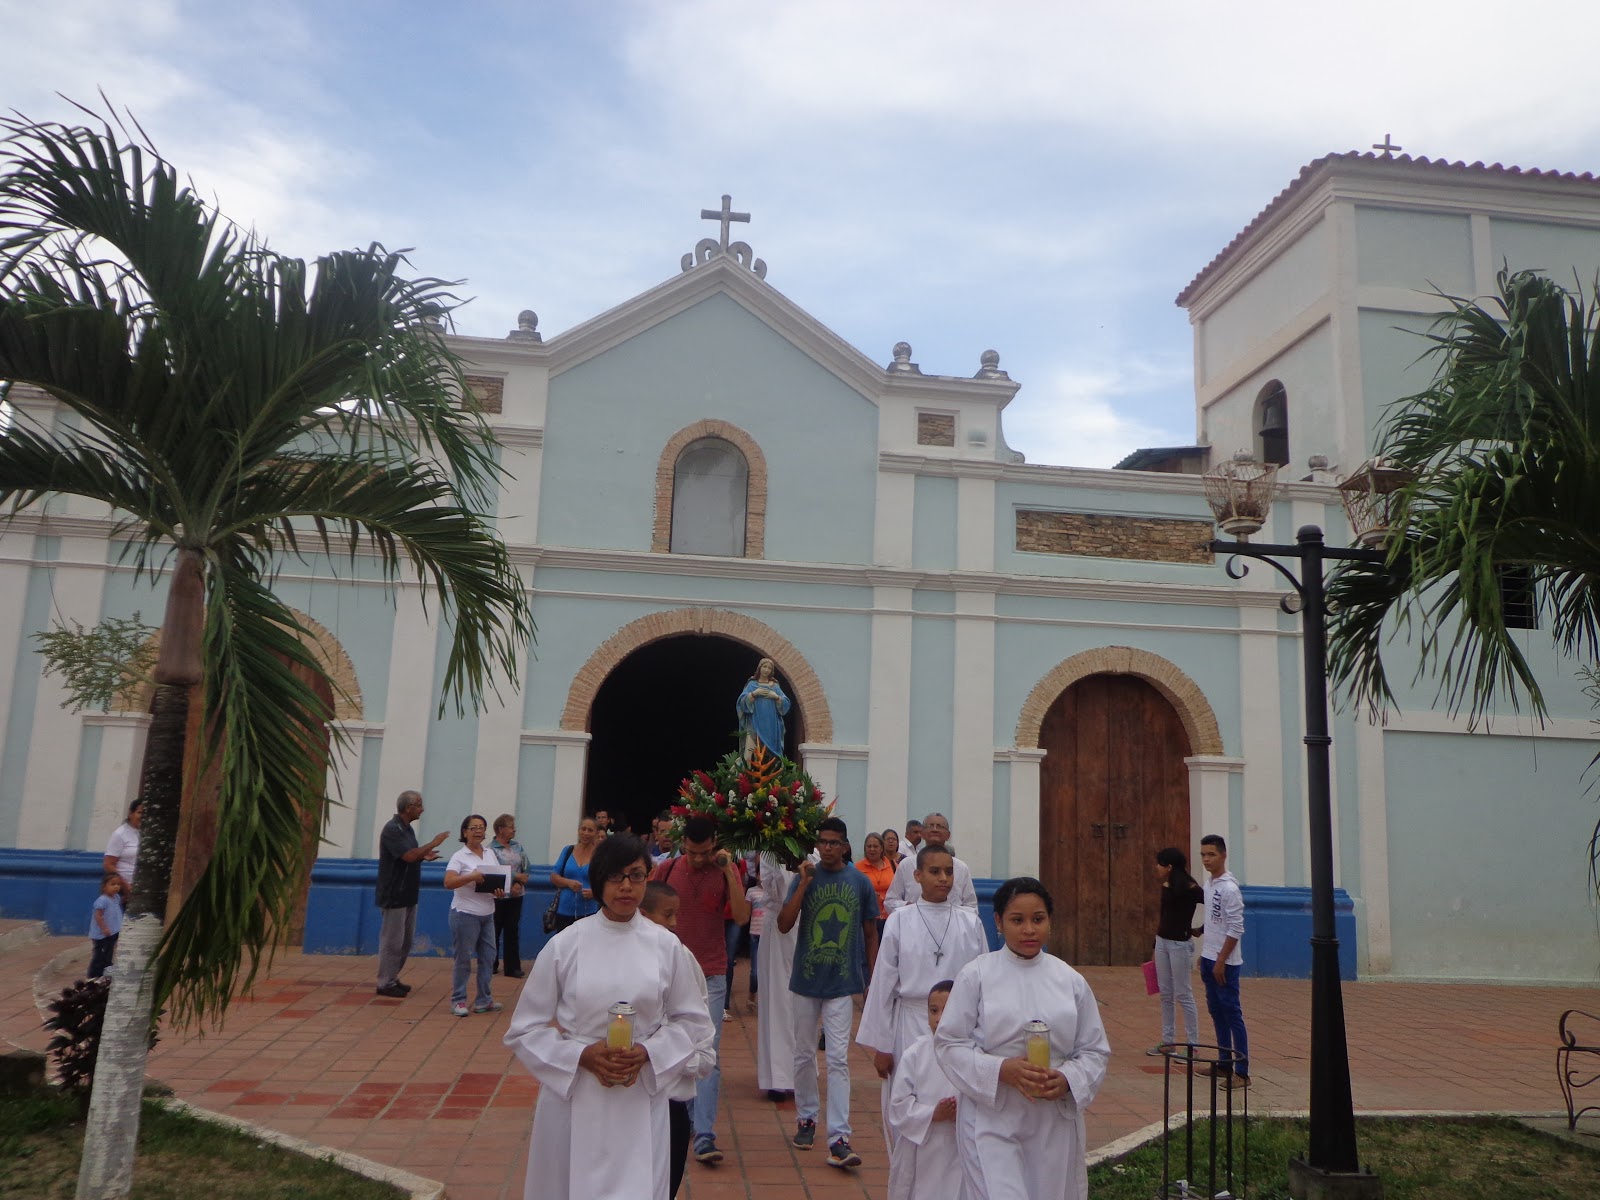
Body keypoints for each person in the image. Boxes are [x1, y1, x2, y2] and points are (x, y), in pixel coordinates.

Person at [504, 835, 715, 1200]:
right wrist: (580, 1055)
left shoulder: (666, 947)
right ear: (598, 880)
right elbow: (526, 1029)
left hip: (640, 1091)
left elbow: (693, 1022)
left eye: (636, 875)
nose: (627, 887)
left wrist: (650, 1051)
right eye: (616, 877)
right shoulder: (565, 945)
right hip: (576, 1091)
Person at [935, 877, 1111, 1200]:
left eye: (1038, 919)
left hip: (1053, 1121)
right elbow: (949, 1044)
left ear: (1050, 922)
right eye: (1018, 920)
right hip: (993, 1118)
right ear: (999, 922)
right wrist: (1001, 1070)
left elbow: (1094, 1050)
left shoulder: (1070, 981)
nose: (1029, 930)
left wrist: (1069, 1078)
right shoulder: (976, 976)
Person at [858, 843, 988, 1150]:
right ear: (917, 875)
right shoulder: (900, 921)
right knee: (909, 1102)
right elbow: (883, 985)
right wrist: (883, 1045)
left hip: (959, 1027)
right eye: (934, 871)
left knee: (957, 1104)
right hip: (910, 1023)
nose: (943, 878)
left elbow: (984, 985)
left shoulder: (970, 922)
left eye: (949, 871)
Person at [778, 816, 880, 1170]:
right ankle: (806, 1118)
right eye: (822, 842)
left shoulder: (859, 882)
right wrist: (803, 885)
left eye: (834, 842)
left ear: (845, 846)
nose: (827, 848)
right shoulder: (805, 877)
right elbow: (783, 923)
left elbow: (870, 934)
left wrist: (872, 982)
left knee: (838, 1059)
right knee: (804, 1053)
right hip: (806, 980)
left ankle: (839, 1136)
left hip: (842, 982)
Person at [651, 815, 750, 1165]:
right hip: (669, 974)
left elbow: (740, 917)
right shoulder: (666, 870)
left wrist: (727, 872)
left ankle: (705, 1134)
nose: (697, 859)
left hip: (711, 975)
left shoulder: (727, 869)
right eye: (692, 852)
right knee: (670, 1047)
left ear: (715, 844)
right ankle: (680, 1119)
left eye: (704, 852)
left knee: (709, 1053)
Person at [640, 881, 716, 1200]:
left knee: (666, 1185)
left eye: (676, 915)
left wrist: (689, 1059)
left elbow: (698, 1021)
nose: (673, 923)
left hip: (672, 1096)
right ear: (642, 916)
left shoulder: (681, 957)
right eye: (666, 914)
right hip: (632, 1098)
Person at [886, 980, 964, 1200]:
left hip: (958, 1144)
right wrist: (932, 1114)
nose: (939, 1018)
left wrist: (962, 1112)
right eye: (933, 1010)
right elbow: (899, 1106)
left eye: (947, 1010)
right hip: (923, 1145)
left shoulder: (973, 1054)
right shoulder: (915, 1053)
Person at [375, 790, 449, 998]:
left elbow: (412, 855)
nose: (422, 809)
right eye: (419, 805)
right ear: (408, 808)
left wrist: (424, 855)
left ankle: (392, 976)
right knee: (392, 941)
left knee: (405, 941)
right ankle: (384, 982)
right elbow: (407, 856)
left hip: (408, 892)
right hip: (394, 893)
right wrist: (433, 843)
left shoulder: (406, 829)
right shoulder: (392, 829)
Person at [1195, 834, 1249, 1086]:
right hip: (1209, 958)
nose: (1207, 859)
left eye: (1211, 854)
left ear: (1223, 855)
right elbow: (1217, 920)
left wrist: (1220, 960)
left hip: (1225, 963)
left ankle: (1242, 1071)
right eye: (1203, 855)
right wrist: (1204, 947)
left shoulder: (1230, 888)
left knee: (1232, 1013)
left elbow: (1236, 928)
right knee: (1216, 1012)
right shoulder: (1209, 885)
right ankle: (1224, 1063)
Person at [443, 814, 508, 1018]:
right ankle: (459, 1000)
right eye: (473, 828)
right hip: (465, 914)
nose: (478, 831)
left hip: (487, 913)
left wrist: (499, 891)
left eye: (481, 827)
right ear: (465, 832)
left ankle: (483, 1000)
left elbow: (497, 879)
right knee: (463, 959)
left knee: (488, 957)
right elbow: (449, 882)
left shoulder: (489, 853)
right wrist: (471, 876)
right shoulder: (459, 856)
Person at [754, 851, 799, 1101]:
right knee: (777, 1000)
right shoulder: (771, 856)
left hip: (802, 928)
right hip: (777, 929)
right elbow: (778, 894)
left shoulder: (812, 855)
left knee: (800, 1003)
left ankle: (800, 1069)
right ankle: (777, 1076)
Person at [1152, 846, 1204, 1053]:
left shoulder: (1190, 887)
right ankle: (1168, 1041)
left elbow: (1218, 908)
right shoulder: (1167, 885)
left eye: (1160, 863)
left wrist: (1201, 929)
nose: (1156, 867)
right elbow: (1164, 917)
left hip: (1180, 945)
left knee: (1183, 993)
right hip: (1163, 942)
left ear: (1169, 866)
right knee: (1165, 992)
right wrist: (1155, 945)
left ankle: (1192, 1045)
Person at [884, 814, 978, 912]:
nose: (935, 830)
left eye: (940, 826)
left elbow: (971, 907)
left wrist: (953, 913)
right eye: (930, 826)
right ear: (922, 833)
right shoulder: (906, 865)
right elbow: (890, 901)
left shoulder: (961, 868)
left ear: (948, 835)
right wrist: (909, 907)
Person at [491, 814, 532, 978]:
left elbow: (526, 866)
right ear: (501, 830)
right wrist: (516, 877)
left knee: (512, 930)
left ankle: (512, 967)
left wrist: (519, 883)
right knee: (494, 930)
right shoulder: (491, 850)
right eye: (510, 826)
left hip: (516, 895)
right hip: (498, 895)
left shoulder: (517, 847)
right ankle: (491, 963)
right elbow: (495, 870)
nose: (514, 829)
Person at [548, 817, 602, 932]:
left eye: (590, 830)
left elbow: (607, 882)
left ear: (596, 833)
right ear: (578, 831)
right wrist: (568, 883)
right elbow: (554, 876)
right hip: (564, 911)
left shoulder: (599, 855)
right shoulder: (568, 851)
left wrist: (595, 892)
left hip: (589, 913)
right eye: (583, 829)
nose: (586, 833)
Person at [736, 657, 790, 760]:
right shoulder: (752, 685)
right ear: (759, 668)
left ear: (771, 671)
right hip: (755, 723)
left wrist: (776, 697)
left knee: (770, 756)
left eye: (769, 668)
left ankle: (770, 773)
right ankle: (745, 774)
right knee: (749, 753)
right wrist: (754, 694)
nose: (766, 670)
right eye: (764, 667)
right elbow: (741, 703)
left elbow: (785, 704)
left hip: (771, 725)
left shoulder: (774, 686)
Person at [856, 832, 895, 939]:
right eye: (869, 846)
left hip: (889, 918)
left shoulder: (893, 866)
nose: (872, 849)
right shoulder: (857, 868)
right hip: (868, 918)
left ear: (882, 848)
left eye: (875, 846)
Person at [101, 799, 142, 899]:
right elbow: (108, 864)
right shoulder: (120, 834)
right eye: (140, 812)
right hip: (124, 890)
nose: (143, 817)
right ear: (130, 813)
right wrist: (125, 886)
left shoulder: (148, 834)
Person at [87, 872, 124, 979]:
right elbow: (98, 916)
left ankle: (106, 971)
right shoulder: (102, 900)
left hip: (113, 932)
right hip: (102, 934)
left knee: (109, 952)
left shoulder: (116, 897)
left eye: (118, 884)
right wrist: (104, 928)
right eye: (113, 884)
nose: (116, 887)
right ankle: (93, 975)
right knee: (99, 955)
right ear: (104, 887)